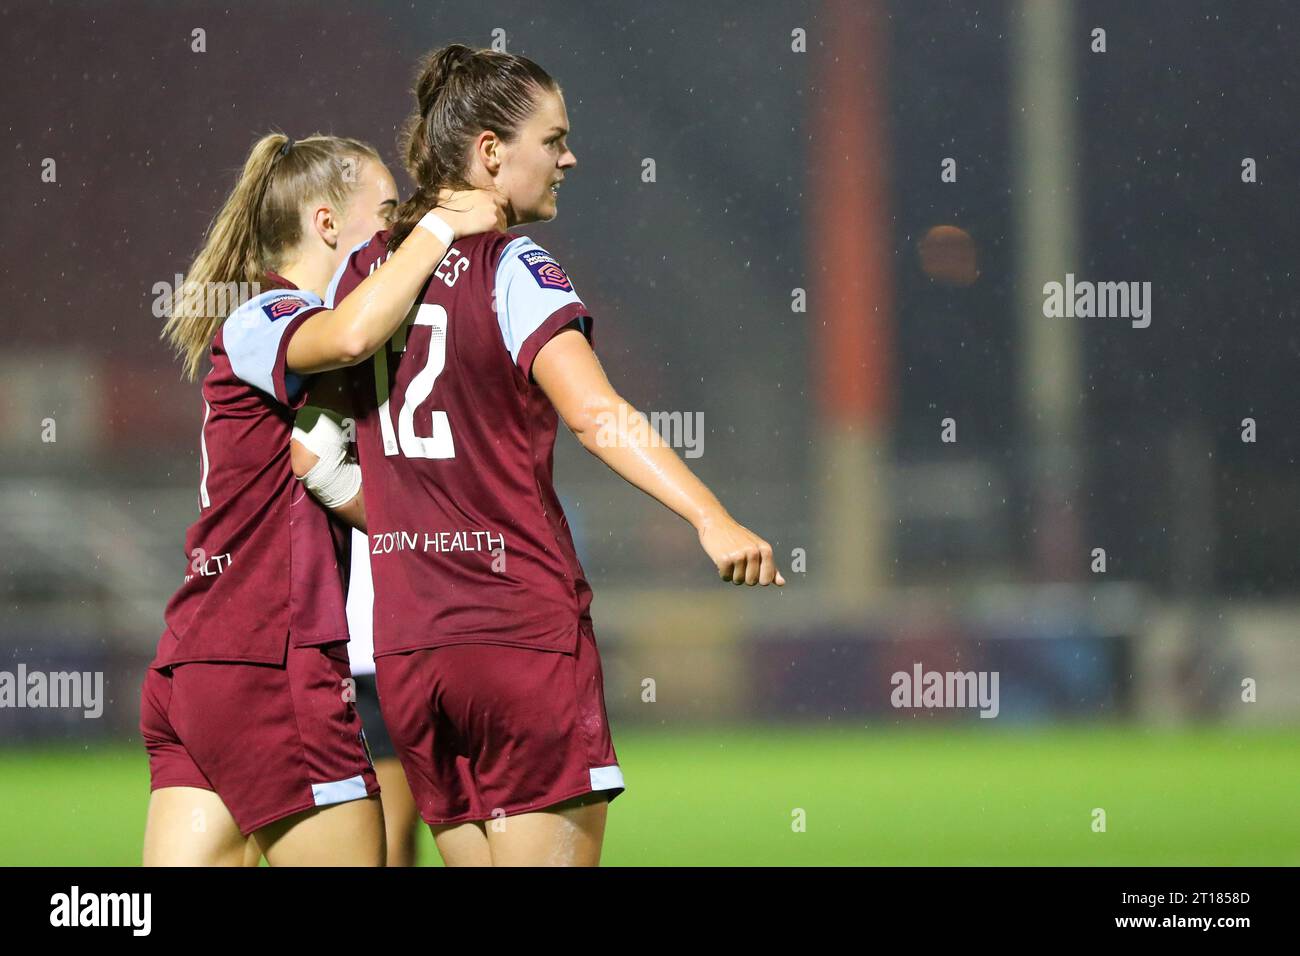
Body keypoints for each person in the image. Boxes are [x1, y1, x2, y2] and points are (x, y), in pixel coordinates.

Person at [323, 44, 784, 867]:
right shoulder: (517, 268)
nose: (569, 158)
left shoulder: (363, 275)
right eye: (553, 139)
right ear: (491, 154)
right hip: (514, 637)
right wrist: (708, 516)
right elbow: (598, 414)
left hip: (409, 651)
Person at [140, 131, 505, 866]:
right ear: (327, 224)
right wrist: (440, 226)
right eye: (389, 212)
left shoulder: (283, 331)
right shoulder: (263, 316)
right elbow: (348, 336)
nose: (398, 230)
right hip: (271, 662)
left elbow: (318, 460)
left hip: (201, 662)